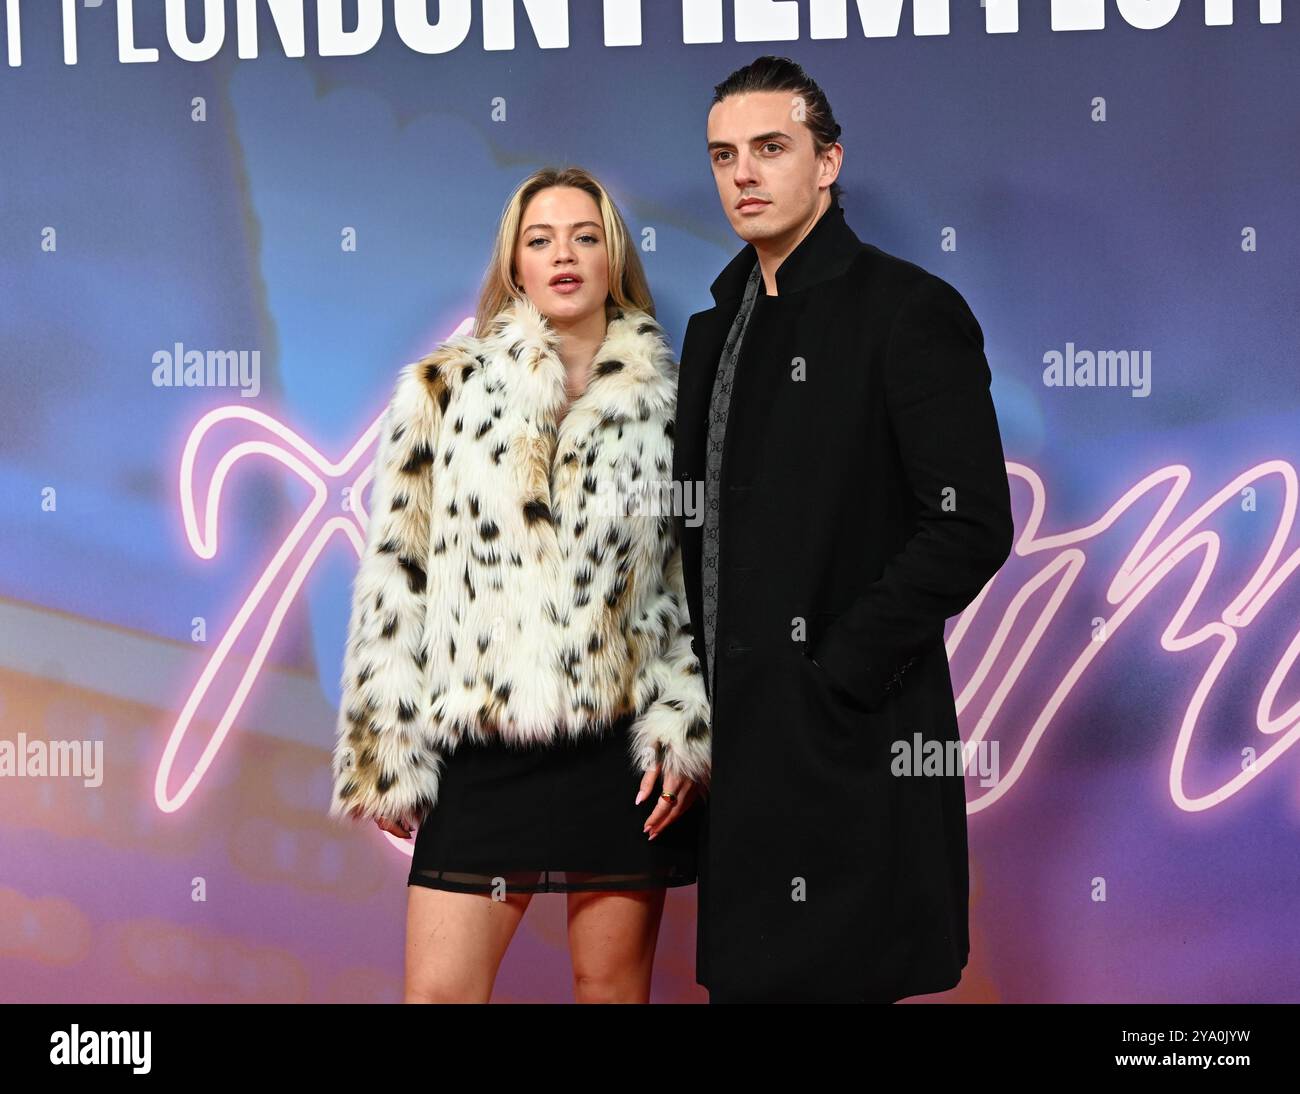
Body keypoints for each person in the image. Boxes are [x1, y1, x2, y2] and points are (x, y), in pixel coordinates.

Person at [674, 57, 1015, 1002]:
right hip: (735, 757)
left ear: (827, 162)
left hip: (853, 745)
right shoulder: (716, 326)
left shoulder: (908, 311)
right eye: (724, 155)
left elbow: (972, 523)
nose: (743, 174)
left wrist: (838, 668)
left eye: (770, 149)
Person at [329, 168, 711, 1003]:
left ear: (612, 257)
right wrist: (383, 747)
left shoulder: (678, 406)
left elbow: (694, 589)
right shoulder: (443, 389)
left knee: (609, 991)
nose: (564, 255)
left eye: (585, 237)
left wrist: (684, 723)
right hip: (482, 744)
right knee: (439, 995)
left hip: (618, 754)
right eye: (541, 239)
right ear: (515, 264)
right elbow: (398, 570)